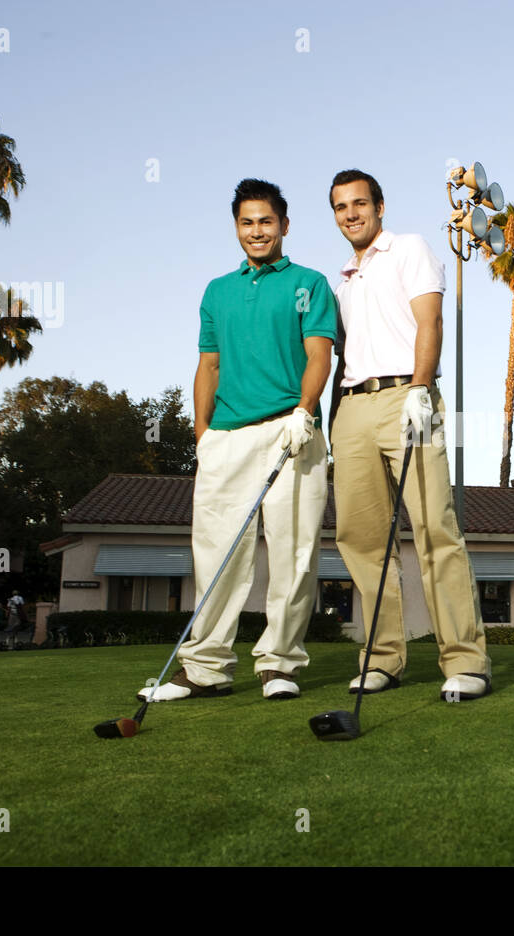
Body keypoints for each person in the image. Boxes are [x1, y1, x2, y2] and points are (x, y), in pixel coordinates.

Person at [138, 178, 336, 703]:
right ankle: (204, 668)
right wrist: (201, 434)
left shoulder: (310, 283)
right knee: (216, 555)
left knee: (293, 555)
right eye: (247, 222)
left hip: (290, 431)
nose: (257, 231)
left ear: (284, 226)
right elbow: (208, 364)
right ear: (236, 229)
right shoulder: (216, 290)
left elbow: (320, 355)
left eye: (266, 221)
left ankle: (280, 666)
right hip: (226, 438)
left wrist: (304, 412)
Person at [326, 168, 491, 701]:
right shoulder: (343, 280)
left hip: (408, 398)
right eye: (340, 207)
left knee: (435, 530)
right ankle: (382, 660)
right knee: (361, 539)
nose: (350, 213)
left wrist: (422, 389)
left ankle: (466, 661)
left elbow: (430, 322)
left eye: (359, 203)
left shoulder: (410, 248)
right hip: (353, 408)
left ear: (379, 206)